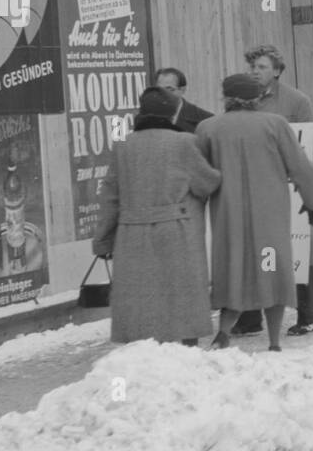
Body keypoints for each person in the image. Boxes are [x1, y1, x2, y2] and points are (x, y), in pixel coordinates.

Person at [196, 74, 313, 352]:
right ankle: (274, 341)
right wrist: (312, 205)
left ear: (226, 98)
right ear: (255, 98)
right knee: (271, 274)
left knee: (233, 273)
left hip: (228, 222)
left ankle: (224, 332)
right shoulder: (275, 124)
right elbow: (302, 170)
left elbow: (198, 177)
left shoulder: (208, 129)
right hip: (269, 221)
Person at [91, 86, 221, 347]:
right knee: (181, 301)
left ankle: (143, 358)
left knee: (142, 304)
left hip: (132, 234)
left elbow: (110, 196)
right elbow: (206, 184)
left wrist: (103, 240)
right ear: (172, 115)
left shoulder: (123, 146)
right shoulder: (185, 142)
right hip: (176, 230)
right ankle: (186, 357)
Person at [244, 42, 313, 335]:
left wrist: (300, 181)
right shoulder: (245, 102)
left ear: (277, 71)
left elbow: (310, 147)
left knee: (296, 249)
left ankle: (310, 314)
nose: (255, 72)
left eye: (262, 67)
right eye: (252, 67)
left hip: (290, 186)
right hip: (257, 187)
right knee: (254, 249)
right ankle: (250, 317)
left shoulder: (297, 101)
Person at [153, 66, 213, 133]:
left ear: (182, 90)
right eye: (159, 90)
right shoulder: (145, 120)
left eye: (169, 89)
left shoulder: (205, 120)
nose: (163, 94)